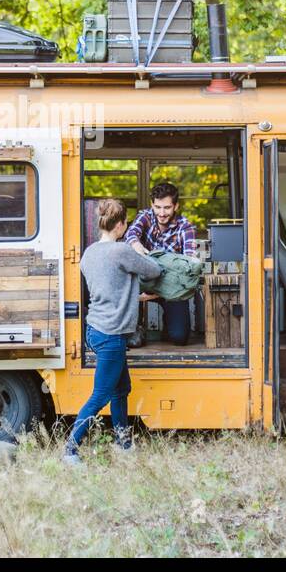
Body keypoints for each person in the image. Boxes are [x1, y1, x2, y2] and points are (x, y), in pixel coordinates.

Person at [64, 198, 162, 465]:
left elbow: (111, 287)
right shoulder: (121, 251)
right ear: (120, 225)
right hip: (111, 334)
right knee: (102, 394)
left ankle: (124, 443)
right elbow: (154, 270)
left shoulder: (88, 253)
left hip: (95, 329)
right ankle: (70, 450)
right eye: (126, 223)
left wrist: (134, 295)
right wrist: (141, 253)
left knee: (121, 390)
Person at [125, 182, 199, 345]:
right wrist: (136, 245)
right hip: (143, 282)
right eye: (158, 207)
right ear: (152, 204)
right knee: (130, 338)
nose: (162, 213)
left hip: (173, 287)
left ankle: (170, 326)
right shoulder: (145, 216)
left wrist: (154, 295)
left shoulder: (186, 227)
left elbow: (190, 270)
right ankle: (134, 328)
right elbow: (131, 234)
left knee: (179, 338)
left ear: (176, 206)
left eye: (167, 208)